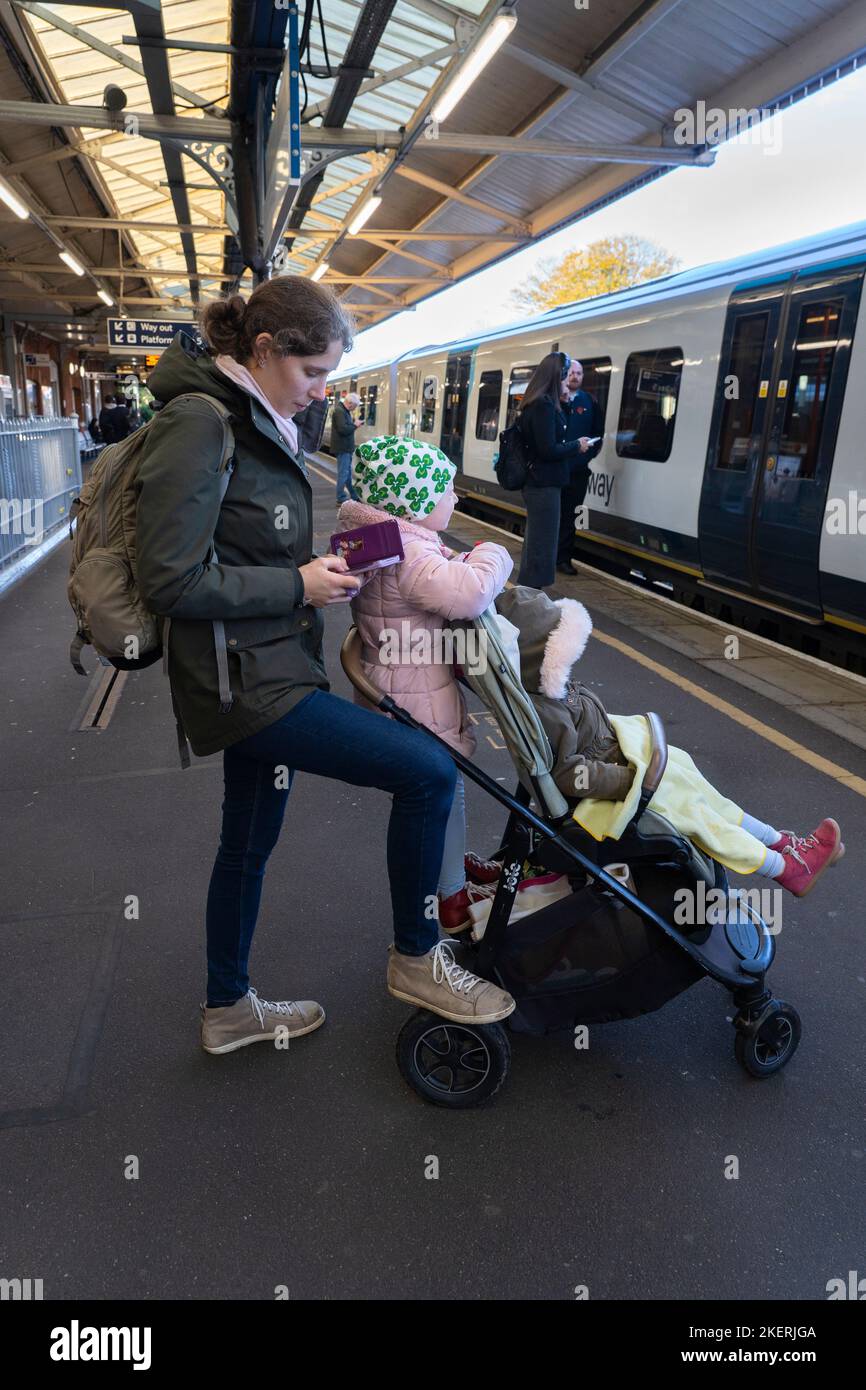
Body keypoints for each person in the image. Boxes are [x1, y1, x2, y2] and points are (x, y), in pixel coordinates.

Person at [134, 279, 516, 1056]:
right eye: (313, 372)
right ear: (264, 349)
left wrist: (321, 567)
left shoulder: (252, 418)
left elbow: (239, 547)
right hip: (249, 680)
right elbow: (168, 579)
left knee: (245, 844)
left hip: (262, 663)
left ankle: (229, 1008)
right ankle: (417, 957)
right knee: (425, 772)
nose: (323, 389)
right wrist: (296, 584)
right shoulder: (200, 425)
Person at [495, 586, 845, 896]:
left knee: (695, 784)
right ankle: (784, 869)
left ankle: (779, 841)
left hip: (620, 764)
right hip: (604, 797)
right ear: (544, 655)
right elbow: (568, 773)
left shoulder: (549, 690)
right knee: (694, 810)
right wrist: (631, 782)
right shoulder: (546, 709)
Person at [337, 435, 514, 934]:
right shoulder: (409, 554)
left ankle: (453, 873)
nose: (456, 498)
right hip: (415, 700)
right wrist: (493, 553)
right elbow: (471, 593)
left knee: (444, 790)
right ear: (414, 503)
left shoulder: (387, 540)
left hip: (401, 686)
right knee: (441, 791)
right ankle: (451, 896)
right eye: (446, 491)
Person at [515, 352, 592, 590]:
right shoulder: (543, 406)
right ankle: (531, 596)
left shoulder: (541, 403)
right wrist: (576, 446)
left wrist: (566, 403)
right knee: (542, 544)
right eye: (565, 375)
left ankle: (529, 594)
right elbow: (548, 449)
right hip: (543, 483)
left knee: (538, 542)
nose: (568, 380)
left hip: (542, 482)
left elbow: (554, 435)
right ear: (556, 375)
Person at [556, 358, 603, 574]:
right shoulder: (555, 399)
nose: (576, 376)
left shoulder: (590, 402)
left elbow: (598, 435)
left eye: (580, 373)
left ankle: (563, 559)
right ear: (565, 374)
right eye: (572, 372)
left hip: (578, 472)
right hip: (554, 469)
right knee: (552, 515)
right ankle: (547, 557)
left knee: (571, 516)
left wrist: (587, 455)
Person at [331, 390, 360, 505]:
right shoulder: (339, 411)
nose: (354, 409)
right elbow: (343, 429)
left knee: (347, 474)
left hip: (346, 447)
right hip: (342, 447)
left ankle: (353, 495)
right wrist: (355, 425)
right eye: (355, 406)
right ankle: (340, 497)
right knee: (343, 473)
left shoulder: (343, 411)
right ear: (350, 403)